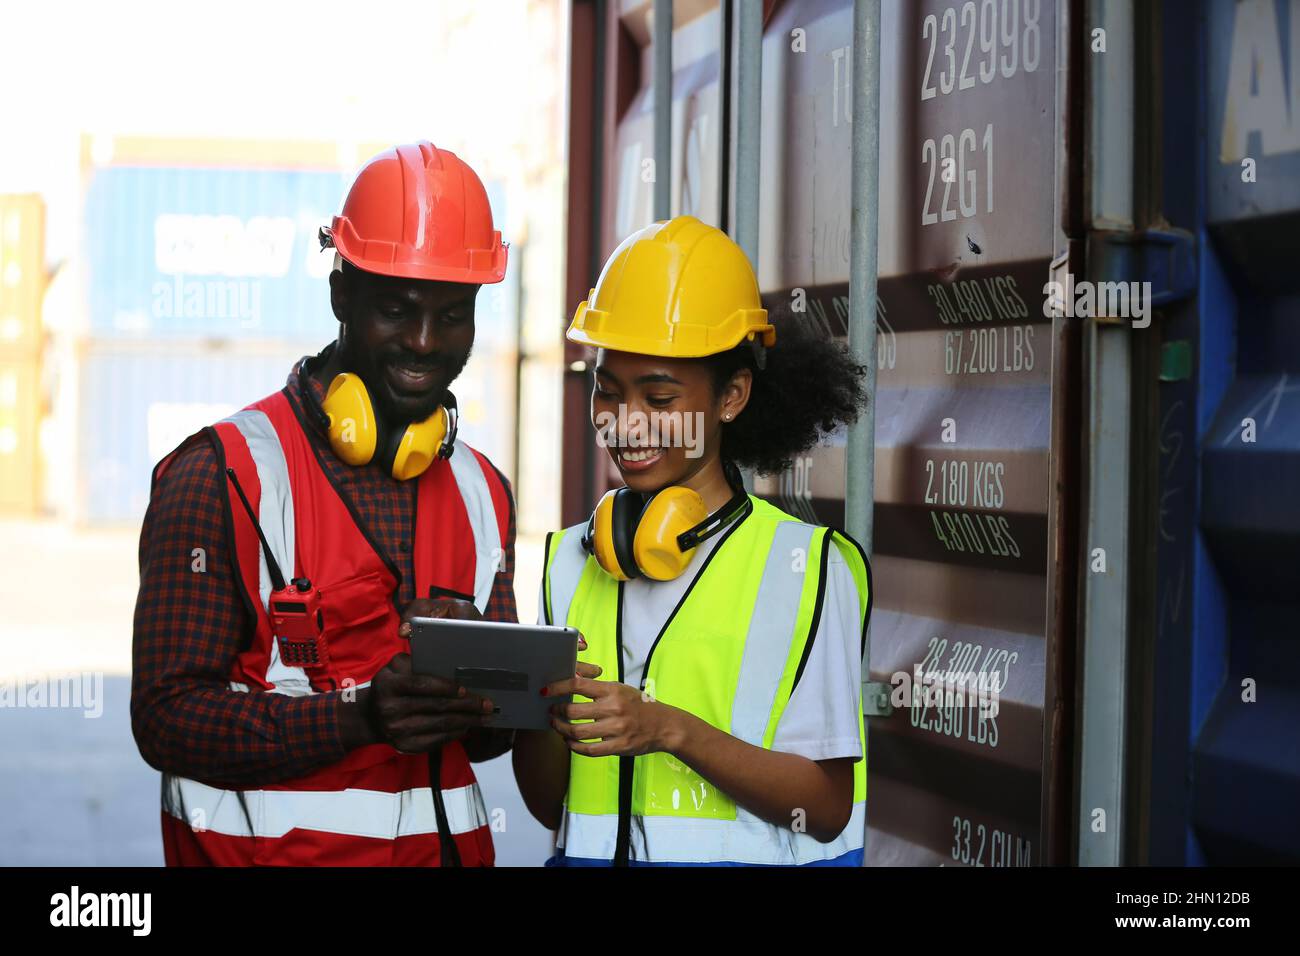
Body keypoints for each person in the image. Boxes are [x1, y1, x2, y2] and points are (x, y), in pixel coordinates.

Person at [131, 142, 517, 866]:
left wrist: (491, 688)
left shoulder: (483, 492)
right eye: (397, 310)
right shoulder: (221, 476)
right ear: (342, 293)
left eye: (453, 314)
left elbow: (488, 742)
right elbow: (165, 720)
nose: (426, 343)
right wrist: (358, 718)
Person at [513, 215, 872, 866]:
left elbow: (824, 808)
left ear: (731, 396)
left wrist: (667, 729)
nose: (626, 424)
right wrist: (544, 721)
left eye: (658, 397)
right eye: (609, 392)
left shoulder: (806, 567)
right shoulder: (568, 560)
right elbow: (546, 806)